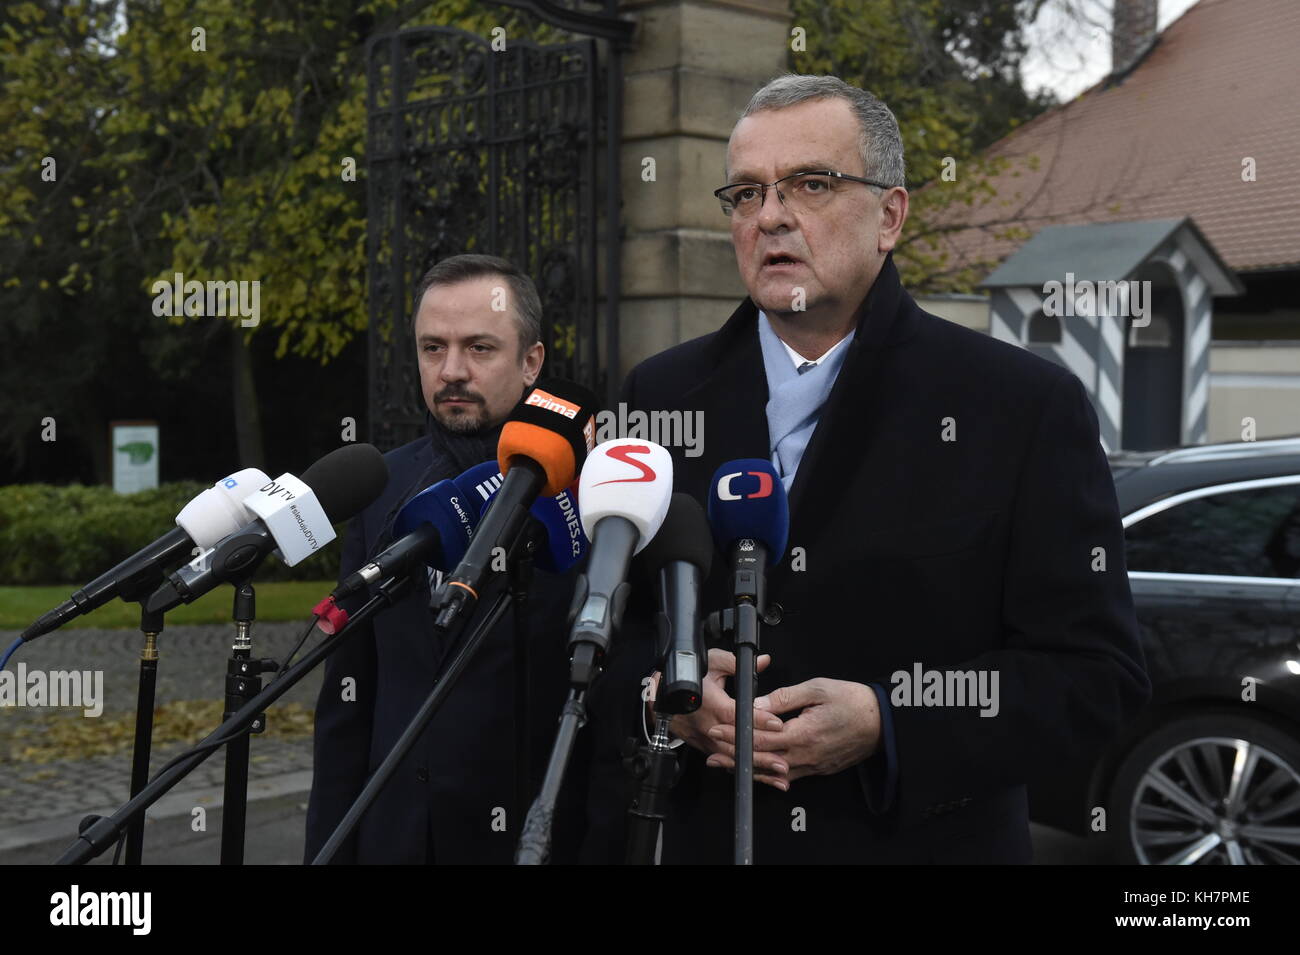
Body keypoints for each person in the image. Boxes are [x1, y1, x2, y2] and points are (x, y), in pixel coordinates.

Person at [610, 74, 1151, 863]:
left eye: (811, 184)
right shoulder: (657, 393)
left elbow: (1096, 678)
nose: (771, 216)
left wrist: (888, 721)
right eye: (747, 193)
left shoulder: (1022, 405)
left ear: (889, 216)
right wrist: (664, 693)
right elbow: (605, 624)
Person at [305, 253, 588, 863]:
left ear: (531, 361)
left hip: (531, 839)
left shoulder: (593, 497)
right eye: (433, 348)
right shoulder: (381, 485)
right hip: (396, 838)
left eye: (479, 348)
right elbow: (347, 707)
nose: (452, 371)